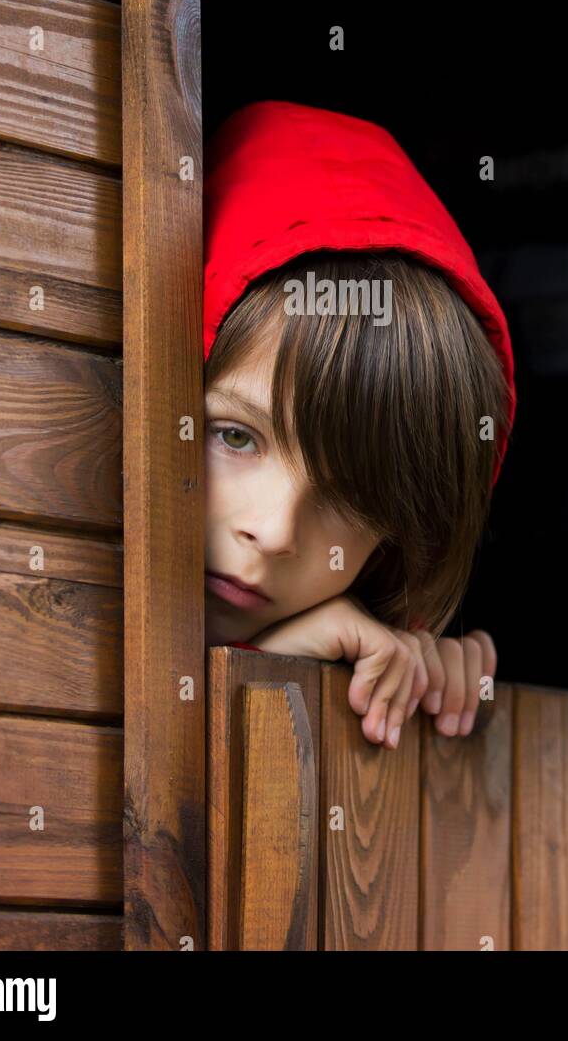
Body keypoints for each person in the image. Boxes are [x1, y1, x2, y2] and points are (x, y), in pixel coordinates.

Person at [203, 99, 516, 750]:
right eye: (235, 436)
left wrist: (412, 672)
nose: (272, 531)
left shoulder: (363, 636)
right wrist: (256, 669)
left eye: (350, 496)